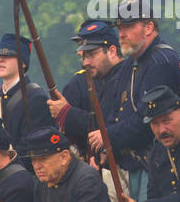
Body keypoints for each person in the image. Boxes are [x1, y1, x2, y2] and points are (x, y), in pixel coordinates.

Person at [107, 0, 180, 202]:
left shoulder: (161, 61)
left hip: (160, 163)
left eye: (128, 26)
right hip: (136, 163)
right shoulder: (132, 65)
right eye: (119, 27)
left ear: (149, 26)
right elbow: (118, 114)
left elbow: (144, 122)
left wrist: (107, 137)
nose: (121, 33)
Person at [49, 19, 125, 154]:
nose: (85, 62)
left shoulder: (124, 79)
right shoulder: (106, 79)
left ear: (112, 51)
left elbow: (106, 126)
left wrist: (67, 112)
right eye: (83, 57)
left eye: (91, 54)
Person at [0, 33, 54, 155]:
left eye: (7, 55)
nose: (0, 60)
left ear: (23, 63)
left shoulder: (36, 99)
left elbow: (34, 148)